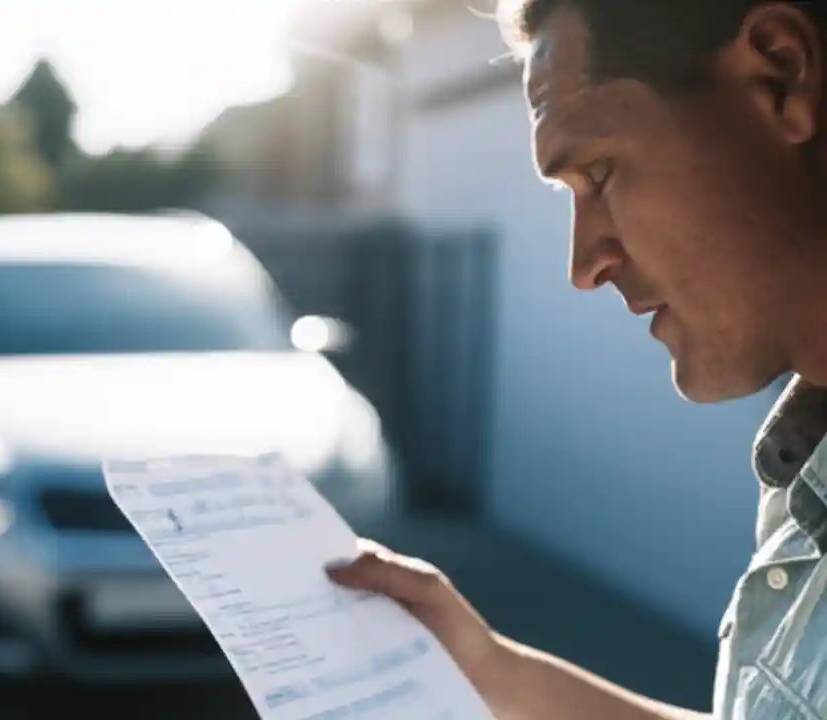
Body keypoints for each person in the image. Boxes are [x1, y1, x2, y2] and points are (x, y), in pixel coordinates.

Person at [326, 0, 827, 718]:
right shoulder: (804, 471)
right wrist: (490, 673)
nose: (584, 263)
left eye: (599, 173)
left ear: (780, 76)